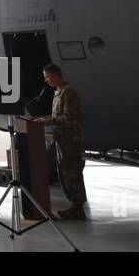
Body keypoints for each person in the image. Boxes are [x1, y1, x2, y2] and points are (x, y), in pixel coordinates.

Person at [29, 63, 87, 220]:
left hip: (71, 140)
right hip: (62, 139)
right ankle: (74, 206)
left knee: (72, 173)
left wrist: (46, 121)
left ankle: (78, 207)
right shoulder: (58, 93)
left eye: (47, 77)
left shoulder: (69, 93)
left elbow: (69, 118)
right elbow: (57, 117)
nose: (46, 80)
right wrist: (43, 119)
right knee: (64, 172)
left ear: (55, 75)